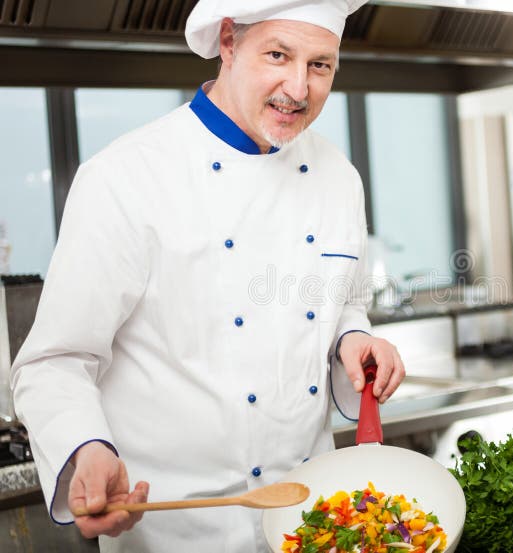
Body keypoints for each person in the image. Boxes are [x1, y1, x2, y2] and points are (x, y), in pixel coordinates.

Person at [9, 1, 406, 551]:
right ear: (228, 42)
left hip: (313, 522)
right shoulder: (125, 178)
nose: (298, 87)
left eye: (321, 65)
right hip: (178, 529)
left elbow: (341, 301)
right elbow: (55, 361)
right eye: (278, 55)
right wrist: (86, 447)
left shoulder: (339, 177)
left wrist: (353, 337)